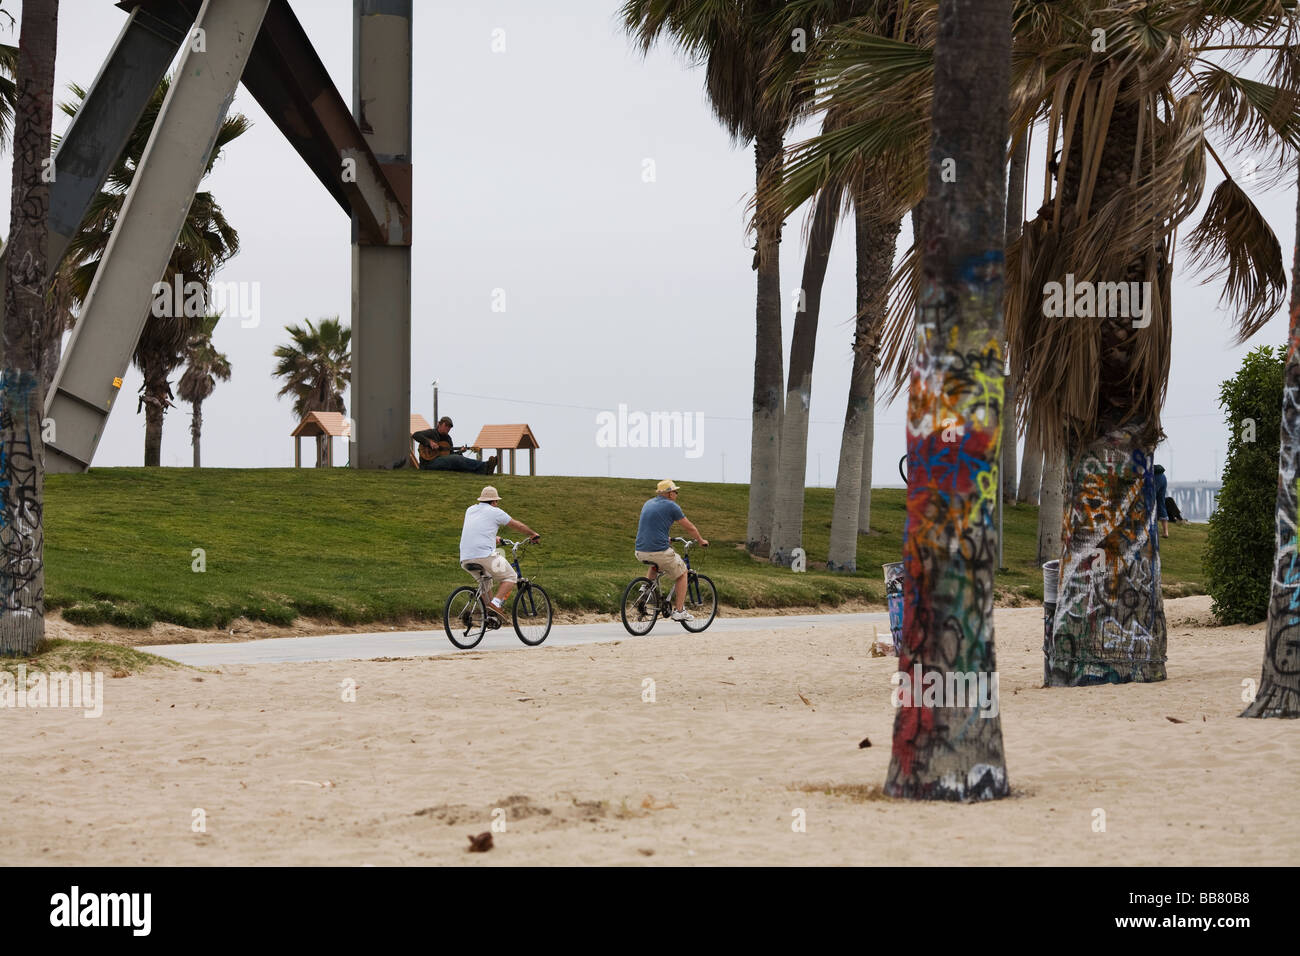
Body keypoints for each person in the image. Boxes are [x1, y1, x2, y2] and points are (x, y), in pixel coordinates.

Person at [459, 485, 540, 621]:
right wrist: (533, 534)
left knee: (486, 582)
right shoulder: (496, 512)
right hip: (484, 555)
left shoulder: (470, 510)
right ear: (494, 501)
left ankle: (488, 615)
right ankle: (495, 604)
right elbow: (517, 525)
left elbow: (477, 528)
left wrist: (494, 538)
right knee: (511, 577)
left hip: (465, 557)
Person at [634, 479, 708, 622]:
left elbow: (651, 525)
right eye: (675, 491)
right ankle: (679, 611)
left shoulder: (648, 503)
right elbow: (689, 527)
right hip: (658, 551)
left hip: (640, 550)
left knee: (655, 565)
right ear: (668, 493)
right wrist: (700, 540)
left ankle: (645, 590)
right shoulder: (672, 506)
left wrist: (664, 537)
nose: (676, 494)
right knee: (682, 573)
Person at [392, 416, 497, 474]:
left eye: (449, 427)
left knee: (458, 461)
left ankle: (484, 470)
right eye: (446, 425)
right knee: (457, 460)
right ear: (439, 424)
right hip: (428, 464)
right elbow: (416, 435)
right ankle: (485, 466)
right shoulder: (431, 433)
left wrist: (460, 452)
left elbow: (450, 454)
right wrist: (430, 442)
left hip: (441, 462)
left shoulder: (448, 439)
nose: (447, 428)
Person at [1154, 464, 1169, 538]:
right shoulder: (1162, 474)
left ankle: (1152, 531)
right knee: (1161, 505)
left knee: (1150, 504)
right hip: (1163, 478)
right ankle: (1165, 532)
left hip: (1156, 478)